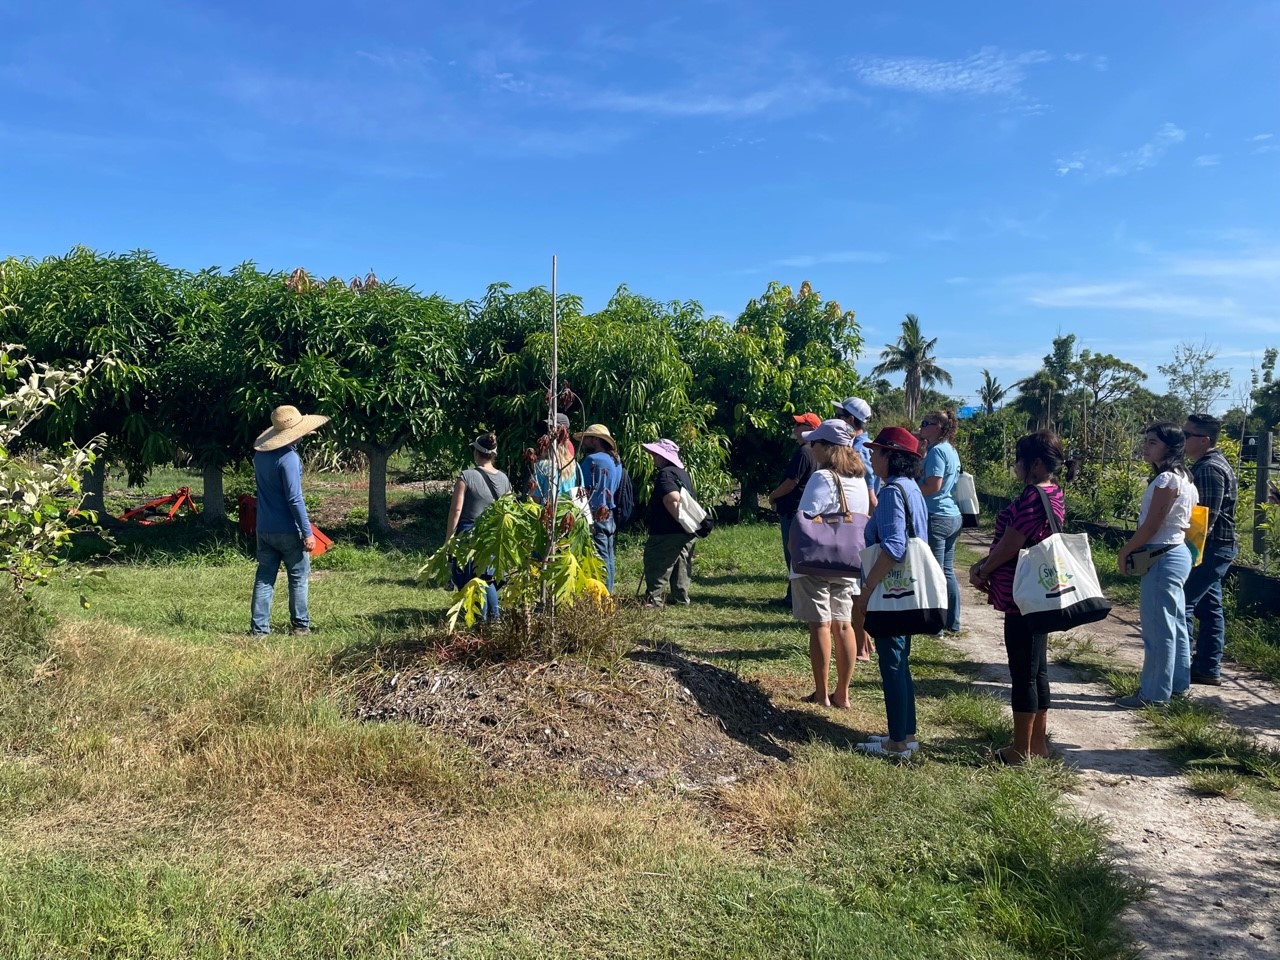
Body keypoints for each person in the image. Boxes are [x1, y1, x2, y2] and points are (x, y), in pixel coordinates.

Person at [968, 431, 1072, 765]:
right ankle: (1037, 745)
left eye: (1018, 460)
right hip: (1039, 592)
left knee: (1023, 672)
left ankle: (1019, 750)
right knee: (1037, 668)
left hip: (1023, 594)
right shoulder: (1054, 493)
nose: (1015, 466)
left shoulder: (1031, 497)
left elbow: (1012, 543)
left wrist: (983, 568)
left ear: (1036, 464)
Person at [852, 427, 928, 759]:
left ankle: (898, 744)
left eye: (877, 451)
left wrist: (868, 589)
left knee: (892, 662)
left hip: (891, 589)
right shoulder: (911, 489)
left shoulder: (891, 492)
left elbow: (894, 546)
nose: (871, 455)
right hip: (909, 588)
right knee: (900, 661)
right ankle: (904, 734)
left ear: (892, 457)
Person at [1116, 422, 1199, 708]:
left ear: (1169, 447)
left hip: (1161, 555)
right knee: (1174, 623)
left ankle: (1153, 693)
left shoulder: (1166, 481)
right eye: (1147, 440)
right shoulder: (1185, 478)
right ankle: (1177, 685)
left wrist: (1126, 550)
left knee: (1157, 628)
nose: (1146, 446)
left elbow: (1152, 525)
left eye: (1153, 442)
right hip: (1177, 552)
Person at [789, 419, 871, 709]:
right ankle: (843, 694)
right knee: (844, 625)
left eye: (816, 443)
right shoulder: (860, 479)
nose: (812, 447)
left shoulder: (822, 478)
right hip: (849, 561)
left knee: (820, 625)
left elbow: (805, 518)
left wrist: (792, 550)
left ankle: (821, 693)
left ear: (826, 448)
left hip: (818, 561)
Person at [249, 404, 329, 637]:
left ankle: (259, 629)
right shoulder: (289, 459)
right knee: (298, 577)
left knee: (265, 577)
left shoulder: (260, 456)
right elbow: (294, 499)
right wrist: (307, 532)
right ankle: (300, 625)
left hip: (264, 527)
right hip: (288, 530)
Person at [1182, 414, 1239, 686]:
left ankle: (1178, 668)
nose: (1182, 439)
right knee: (1210, 607)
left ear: (1203, 440)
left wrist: (1187, 553)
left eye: (1187, 434)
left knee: (1183, 603)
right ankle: (1206, 667)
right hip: (1217, 547)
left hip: (1211, 547)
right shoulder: (1211, 464)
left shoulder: (1208, 469)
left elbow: (1205, 519)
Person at [444, 432, 512, 622]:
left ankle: (484, 620)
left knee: (473, 579)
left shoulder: (466, 476)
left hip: (469, 533)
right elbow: (508, 509)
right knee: (487, 576)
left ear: (476, 452)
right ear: (493, 454)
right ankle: (493, 619)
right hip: (493, 534)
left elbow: (456, 510)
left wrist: (448, 539)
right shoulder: (504, 479)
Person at [833, 397, 880, 660]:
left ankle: (861, 644)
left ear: (851, 420)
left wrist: (864, 531)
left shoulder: (859, 450)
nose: (836, 417)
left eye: (839, 414)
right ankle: (864, 639)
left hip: (862, 526)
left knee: (857, 588)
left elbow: (870, 495)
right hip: (864, 525)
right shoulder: (864, 445)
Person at [767, 412, 820, 608]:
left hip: (793, 511)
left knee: (793, 555)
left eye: (800, 425)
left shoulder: (804, 452)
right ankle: (794, 595)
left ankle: (794, 598)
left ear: (810, 430)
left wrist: (773, 496)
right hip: (799, 511)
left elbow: (791, 483)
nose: (795, 428)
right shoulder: (812, 452)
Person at [918, 409, 963, 634]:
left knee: (935, 572)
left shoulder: (936, 452)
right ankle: (952, 621)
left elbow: (932, 486)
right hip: (951, 514)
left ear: (937, 427)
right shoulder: (950, 450)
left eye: (925, 423)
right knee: (947, 570)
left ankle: (936, 626)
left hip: (937, 516)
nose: (921, 427)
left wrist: (910, 488)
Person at [641, 438, 696, 609]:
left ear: (663, 456)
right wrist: (687, 525)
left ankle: (654, 600)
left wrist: (679, 520)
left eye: (655, 454)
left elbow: (671, 498)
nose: (653, 457)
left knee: (658, 561)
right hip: (687, 529)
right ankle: (681, 598)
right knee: (681, 562)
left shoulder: (665, 474)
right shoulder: (682, 473)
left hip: (667, 530)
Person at [579, 423, 623, 593]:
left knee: (599, 555)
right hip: (609, 512)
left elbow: (580, 486)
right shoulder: (615, 461)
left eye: (587, 438)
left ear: (596, 440)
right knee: (608, 555)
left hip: (595, 513)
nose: (583, 442)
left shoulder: (592, 460)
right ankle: (609, 591)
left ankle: (602, 594)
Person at [834, 397, 879, 495]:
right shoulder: (860, 445)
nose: (835, 420)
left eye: (838, 416)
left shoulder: (860, 451)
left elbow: (871, 497)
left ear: (850, 419)